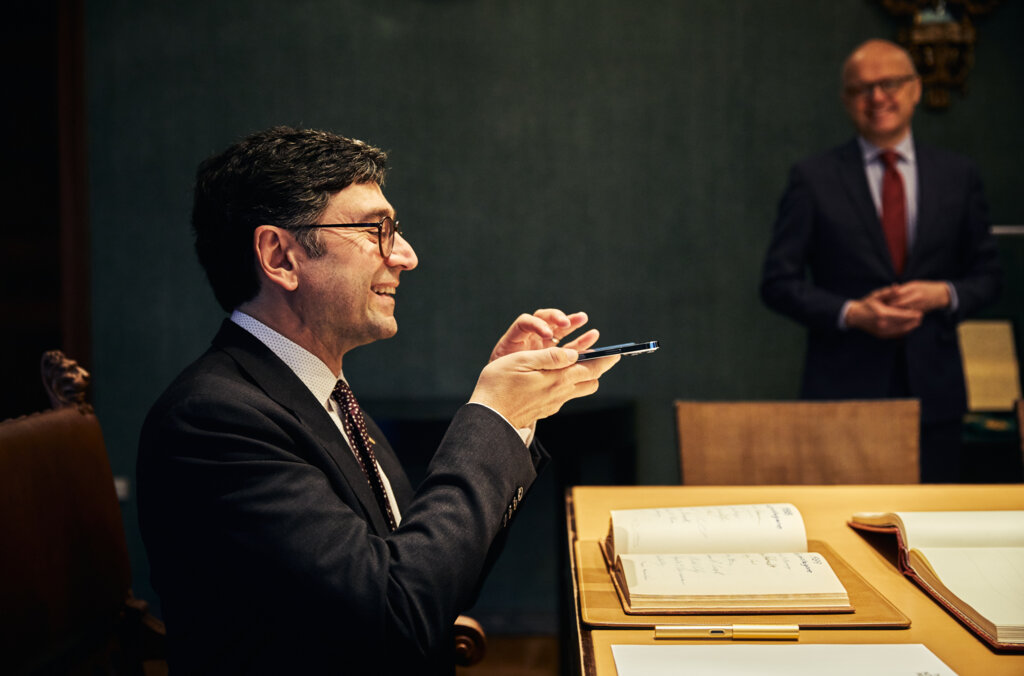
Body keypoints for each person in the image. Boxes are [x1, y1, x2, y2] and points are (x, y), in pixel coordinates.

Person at [136, 126, 620, 674]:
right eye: (376, 230)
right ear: (280, 256)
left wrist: (517, 418)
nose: (406, 256)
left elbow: (431, 573)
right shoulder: (215, 421)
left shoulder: (315, 391)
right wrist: (493, 416)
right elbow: (396, 617)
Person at [760, 39, 1002, 483]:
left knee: (935, 532)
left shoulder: (958, 175)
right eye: (861, 88)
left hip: (937, 394)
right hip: (842, 393)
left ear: (915, 89)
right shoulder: (813, 178)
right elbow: (777, 282)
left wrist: (941, 294)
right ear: (845, 100)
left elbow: (989, 276)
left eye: (889, 83)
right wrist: (853, 313)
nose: (877, 97)